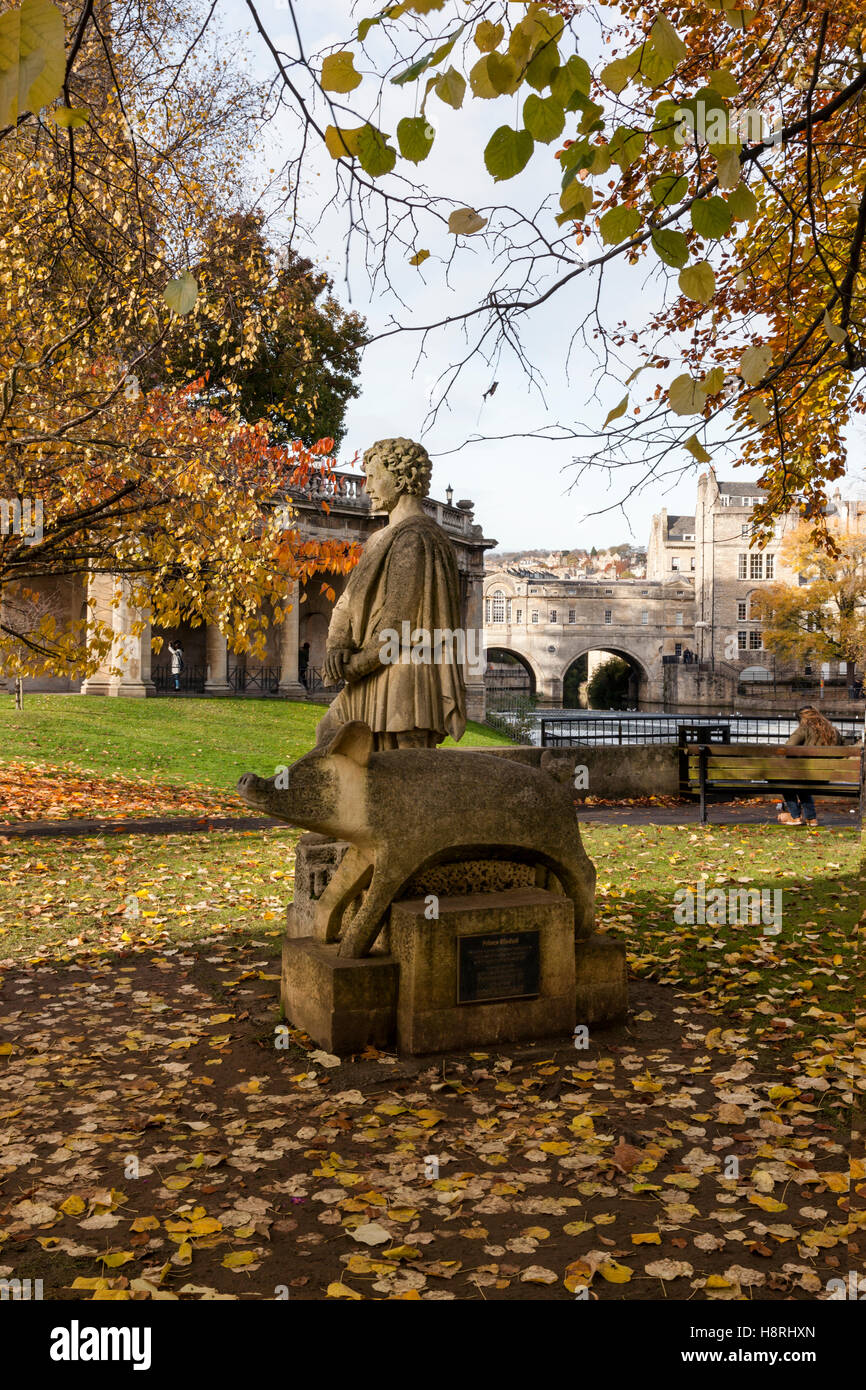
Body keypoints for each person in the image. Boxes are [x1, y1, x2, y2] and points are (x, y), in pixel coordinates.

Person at [315, 437, 466, 750]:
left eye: (373, 477)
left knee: (400, 765)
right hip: (376, 672)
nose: (367, 487)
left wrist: (355, 667)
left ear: (402, 478)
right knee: (330, 735)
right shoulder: (380, 539)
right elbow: (348, 600)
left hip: (403, 675)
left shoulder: (417, 537)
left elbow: (398, 622)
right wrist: (338, 642)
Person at [778, 705, 841, 826]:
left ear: (802, 719)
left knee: (783, 781)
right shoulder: (833, 731)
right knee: (802, 781)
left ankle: (795, 816)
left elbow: (787, 748)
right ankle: (811, 818)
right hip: (824, 777)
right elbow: (842, 752)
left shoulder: (804, 729)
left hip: (807, 776)